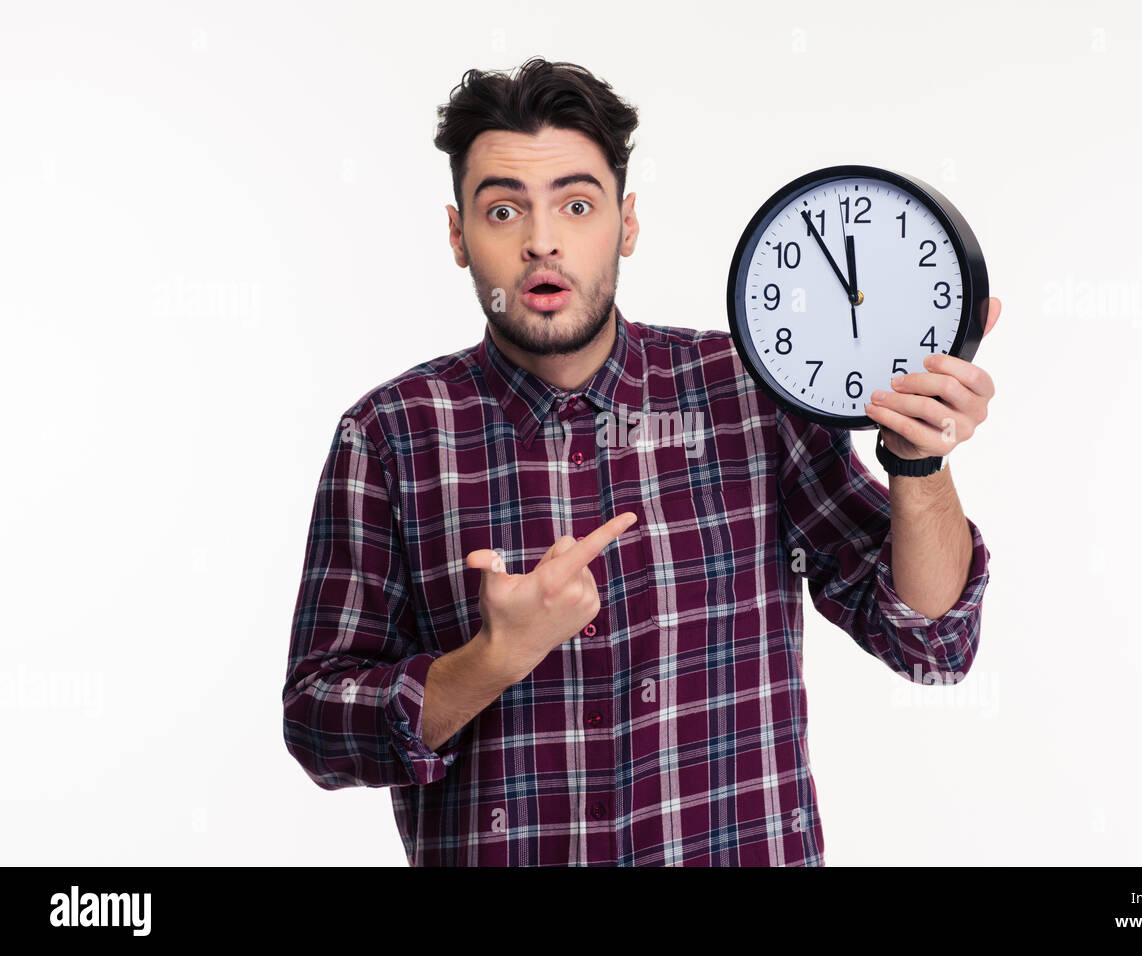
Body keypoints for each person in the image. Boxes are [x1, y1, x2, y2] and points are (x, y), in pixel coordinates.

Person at [282, 56, 1000, 866]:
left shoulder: (751, 394)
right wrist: (492, 661)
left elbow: (932, 644)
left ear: (625, 223)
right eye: (503, 210)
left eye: (576, 205)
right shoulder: (388, 437)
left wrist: (917, 464)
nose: (542, 241)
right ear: (458, 236)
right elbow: (317, 726)